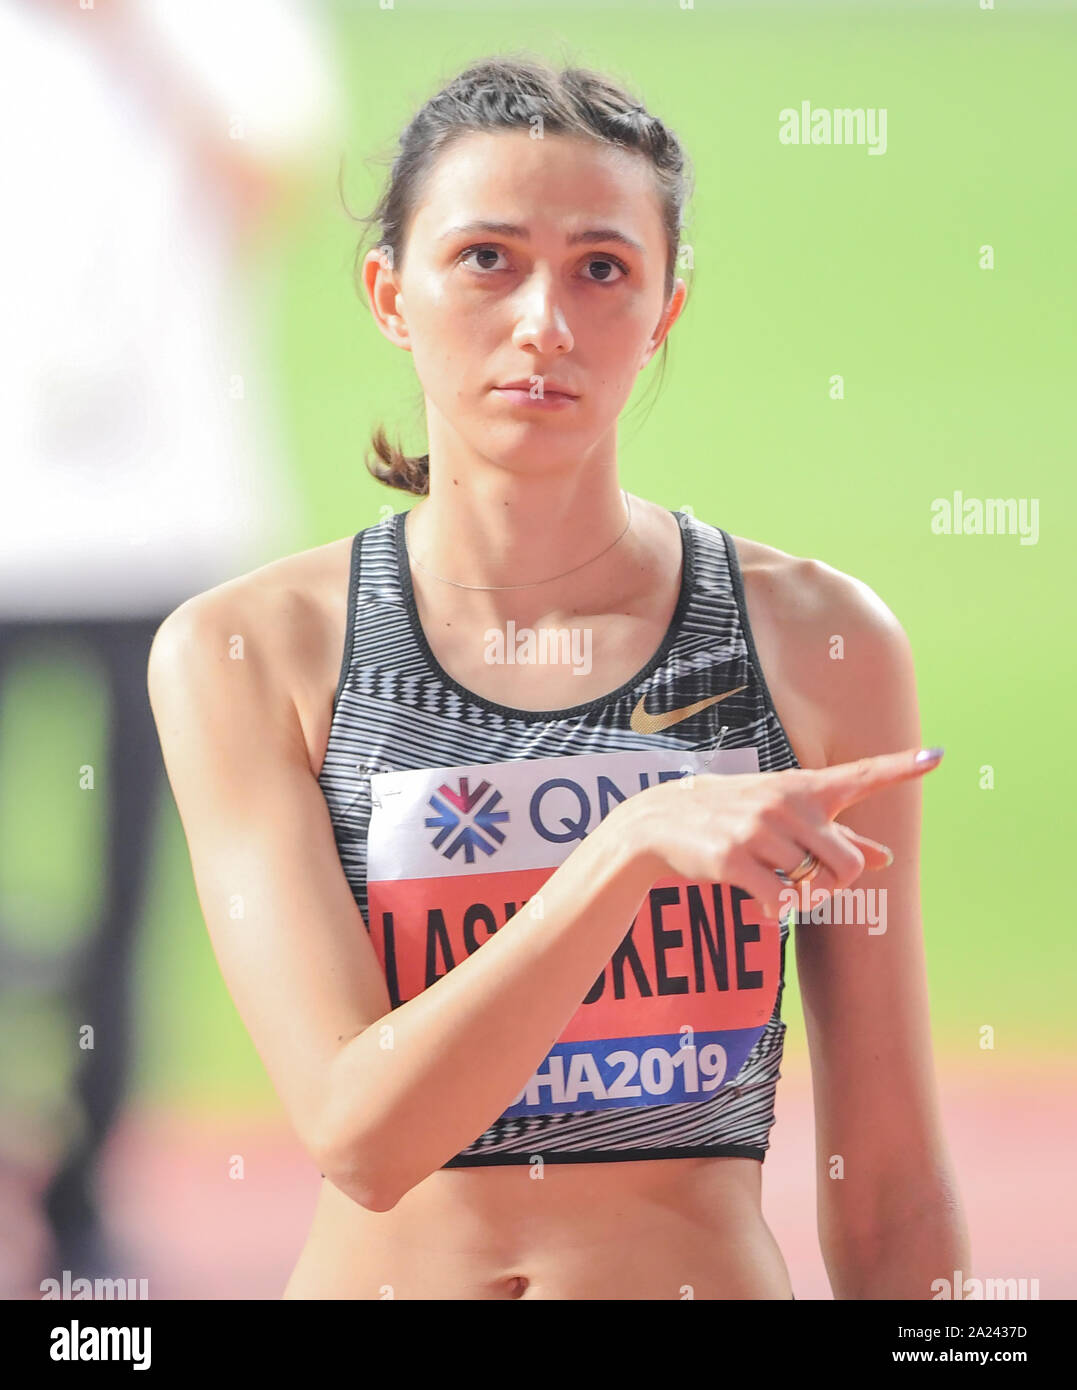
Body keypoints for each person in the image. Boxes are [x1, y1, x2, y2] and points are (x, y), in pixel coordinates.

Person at [147, 55, 969, 1300]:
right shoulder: (249, 653)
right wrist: (626, 846)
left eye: (602, 267)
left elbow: (894, 1179)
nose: (545, 321)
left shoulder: (816, 643)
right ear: (388, 292)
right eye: (487, 258)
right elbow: (362, 1135)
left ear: (665, 313)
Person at [0, 0, 338, 1296]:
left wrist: (126, 29)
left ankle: (85, 1207)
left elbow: (263, 180)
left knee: (130, 889)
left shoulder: (227, 17)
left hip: (162, 518)